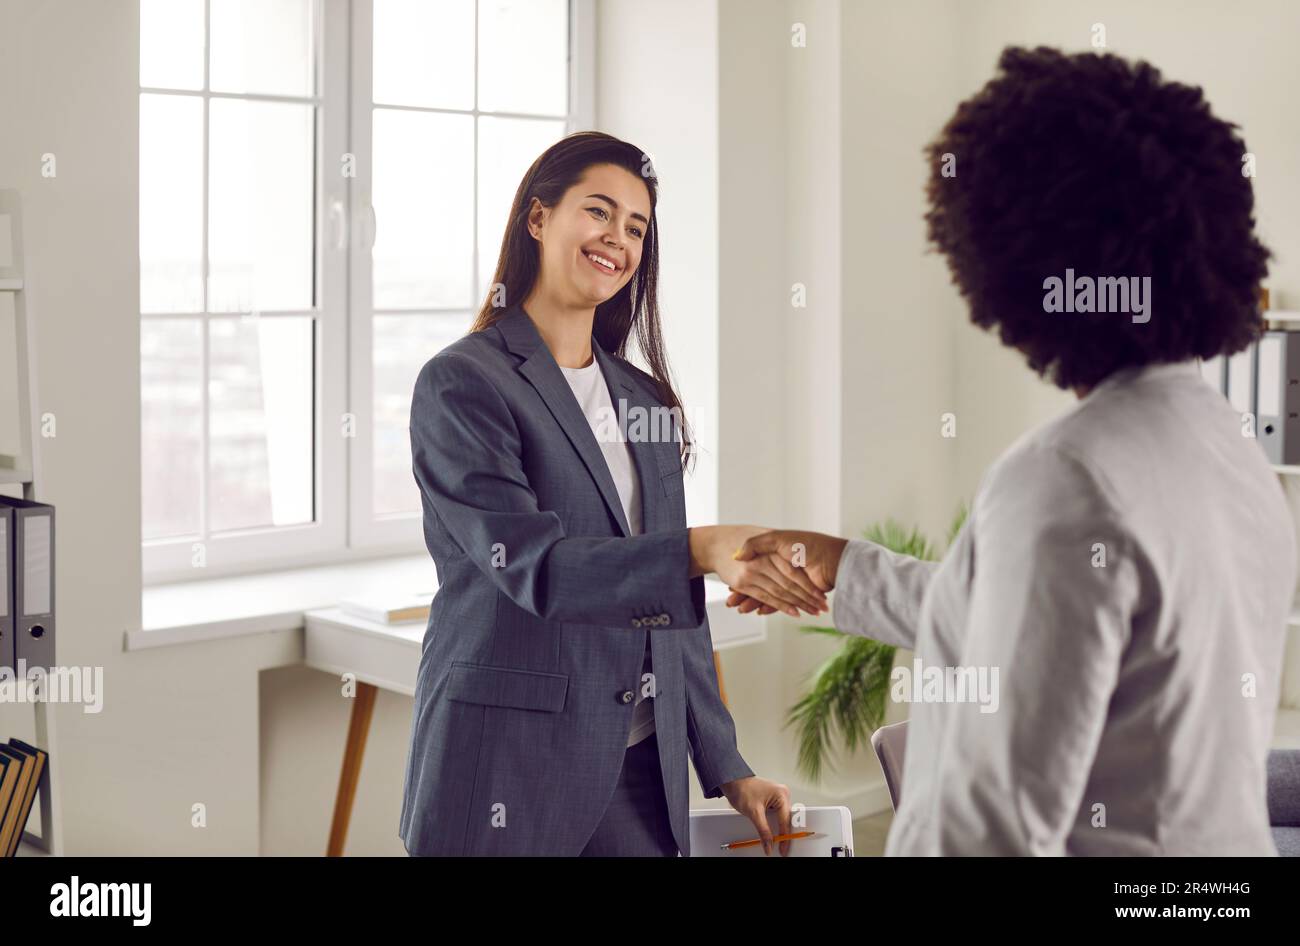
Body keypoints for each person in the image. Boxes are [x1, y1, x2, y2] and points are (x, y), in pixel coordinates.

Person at [731, 47, 1297, 855]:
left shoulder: (1067, 477)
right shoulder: (1229, 451)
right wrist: (846, 570)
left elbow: (987, 829)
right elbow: (1041, 625)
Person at [400, 131, 819, 856]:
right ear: (538, 219)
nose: (617, 240)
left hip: (638, 772)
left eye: (636, 227)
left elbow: (670, 611)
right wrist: (701, 548)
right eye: (598, 212)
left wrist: (727, 768)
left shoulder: (643, 398)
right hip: (508, 765)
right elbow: (538, 568)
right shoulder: (465, 383)